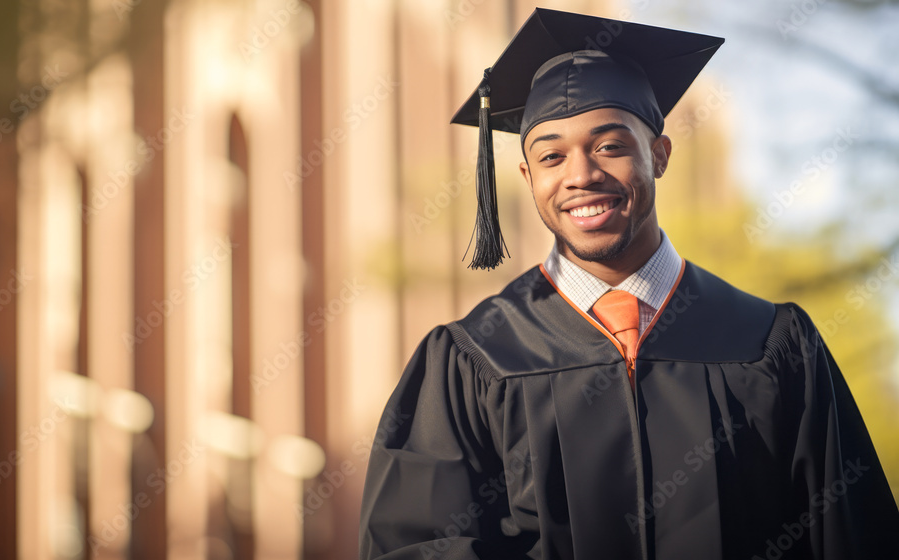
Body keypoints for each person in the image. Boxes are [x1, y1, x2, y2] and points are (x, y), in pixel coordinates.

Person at [358, 8, 899, 560]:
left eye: (610, 146)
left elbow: (851, 534)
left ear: (659, 155)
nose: (580, 174)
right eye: (550, 156)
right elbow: (419, 546)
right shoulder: (474, 359)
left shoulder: (770, 343)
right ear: (527, 177)